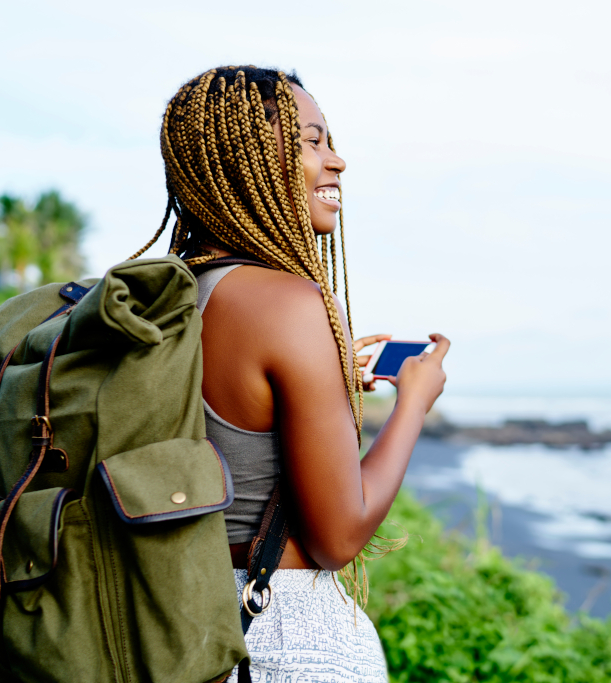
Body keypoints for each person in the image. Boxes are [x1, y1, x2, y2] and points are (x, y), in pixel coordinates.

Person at [134, 66, 449, 682]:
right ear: (243, 159)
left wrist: (322, 384)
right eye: (311, 141)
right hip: (282, 633)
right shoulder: (288, 304)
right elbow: (339, 537)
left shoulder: (172, 294)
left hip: (179, 626)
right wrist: (412, 402)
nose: (337, 162)